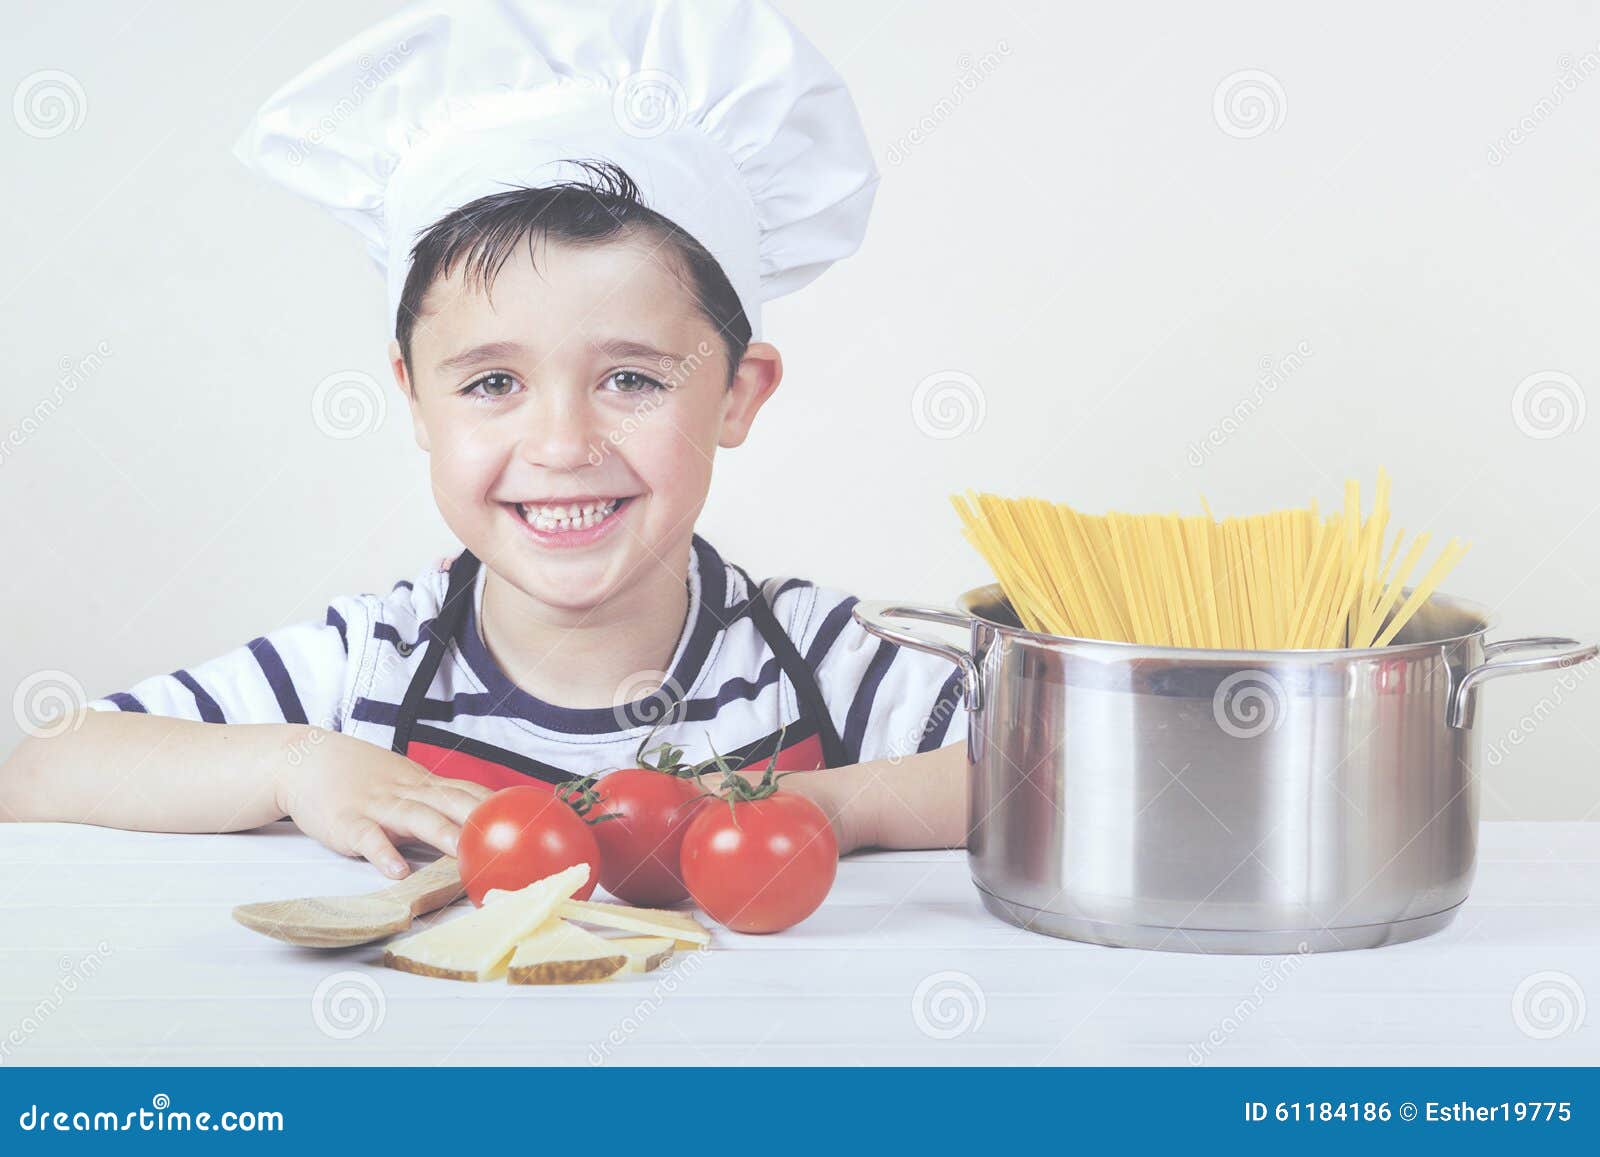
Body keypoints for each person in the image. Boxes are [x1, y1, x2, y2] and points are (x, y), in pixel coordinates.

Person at [0, 0, 968, 879]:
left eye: (630, 378)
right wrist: (294, 762)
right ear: (416, 399)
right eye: (493, 382)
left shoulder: (815, 657)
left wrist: (831, 804)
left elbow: (1068, 767)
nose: (560, 442)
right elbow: (43, 765)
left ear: (735, 394)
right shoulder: (368, 665)